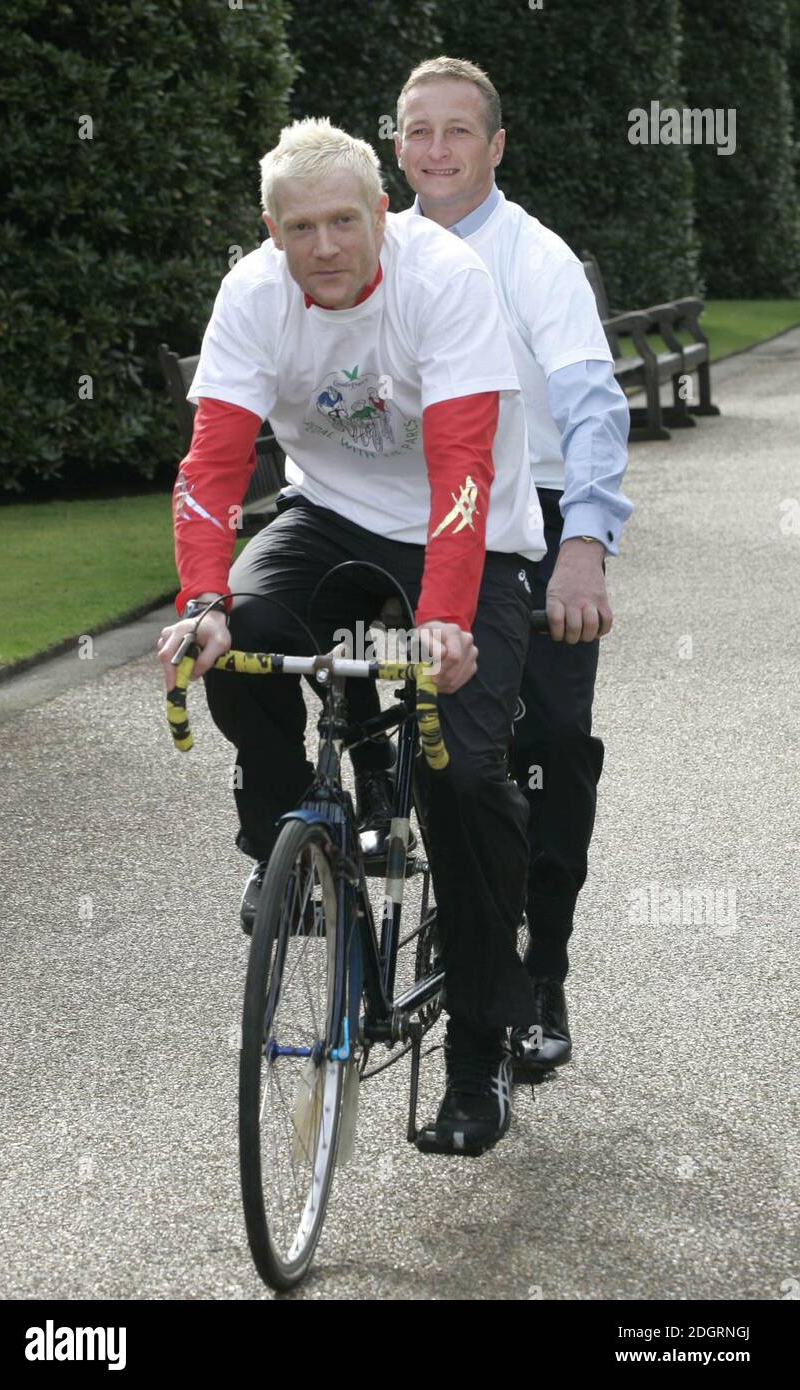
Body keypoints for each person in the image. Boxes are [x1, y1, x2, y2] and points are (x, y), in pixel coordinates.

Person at [158, 117, 548, 1154]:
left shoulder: (445, 280)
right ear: (271, 232)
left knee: (465, 780)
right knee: (238, 630)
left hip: (463, 534)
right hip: (329, 517)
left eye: (343, 221)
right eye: (300, 228)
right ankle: (287, 836)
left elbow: (462, 467)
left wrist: (446, 618)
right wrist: (199, 602)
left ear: (381, 212)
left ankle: (480, 1048)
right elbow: (210, 469)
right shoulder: (253, 294)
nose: (323, 247)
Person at [348, 57, 633, 1079]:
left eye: (458, 130)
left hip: (531, 513)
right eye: (417, 130)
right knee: (326, 641)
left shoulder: (535, 259)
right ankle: (362, 815)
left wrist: (584, 545)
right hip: (408, 509)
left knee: (548, 738)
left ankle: (540, 964)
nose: (436, 149)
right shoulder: (366, 250)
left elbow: (592, 407)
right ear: (395, 144)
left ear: (497, 146)